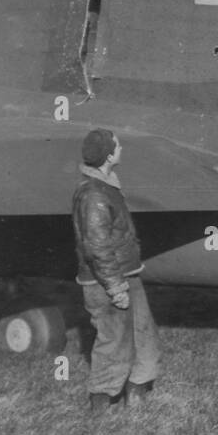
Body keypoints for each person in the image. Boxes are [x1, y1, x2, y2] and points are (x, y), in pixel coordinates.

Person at [72, 128, 161, 412]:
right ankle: (100, 405)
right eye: (118, 146)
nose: (122, 149)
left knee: (142, 334)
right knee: (113, 344)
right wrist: (115, 287)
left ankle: (136, 393)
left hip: (127, 273)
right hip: (106, 281)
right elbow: (97, 247)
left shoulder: (107, 186)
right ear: (110, 156)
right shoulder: (94, 196)